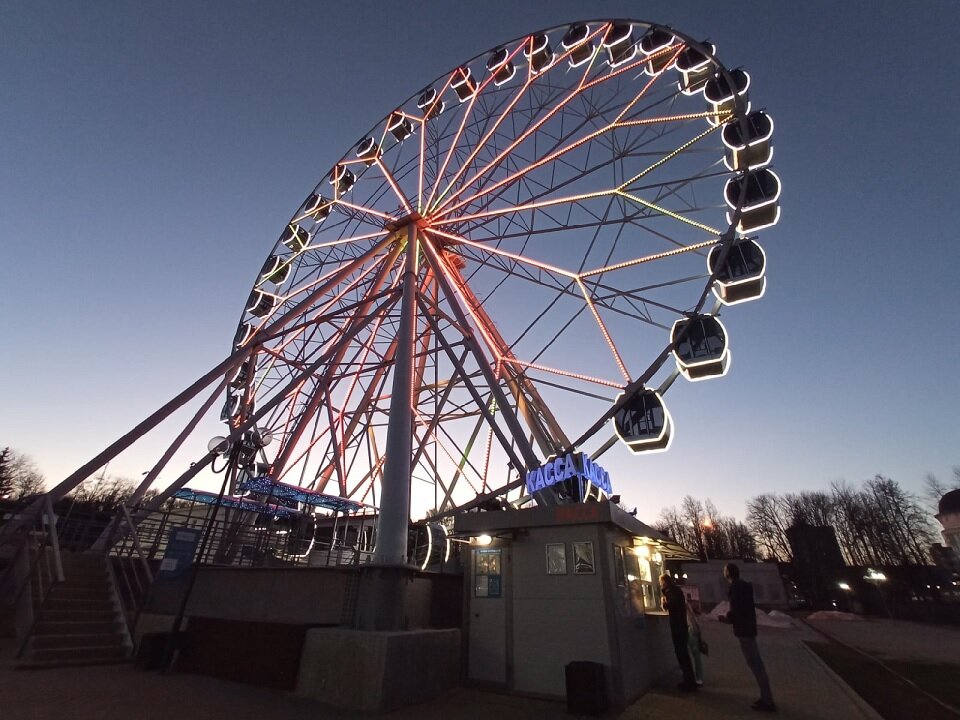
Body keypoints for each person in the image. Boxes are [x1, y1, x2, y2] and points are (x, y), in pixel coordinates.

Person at [719, 562, 776, 713]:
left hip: (745, 630)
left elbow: (738, 609)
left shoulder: (737, 589)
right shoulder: (741, 587)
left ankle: (767, 700)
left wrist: (728, 618)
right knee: (754, 663)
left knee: (755, 663)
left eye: (724, 570)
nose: (723, 573)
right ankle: (766, 696)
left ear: (729, 573)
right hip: (747, 629)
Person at [659, 573, 697, 692]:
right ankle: (690, 679)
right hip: (682, 625)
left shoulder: (671, 592)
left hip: (678, 626)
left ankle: (689, 682)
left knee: (682, 654)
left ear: (664, 582)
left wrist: (664, 601)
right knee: (684, 654)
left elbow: (670, 605)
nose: (661, 584)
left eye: (661, 582)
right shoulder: (676, 590)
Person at [686, 596, 704, 686]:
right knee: (695, 654)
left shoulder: (684, 603)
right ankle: (698, 677)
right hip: (692, 629)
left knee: (695, 653)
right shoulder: (686, 603)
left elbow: (693, 616)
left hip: (691, 629)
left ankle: (698, 678)